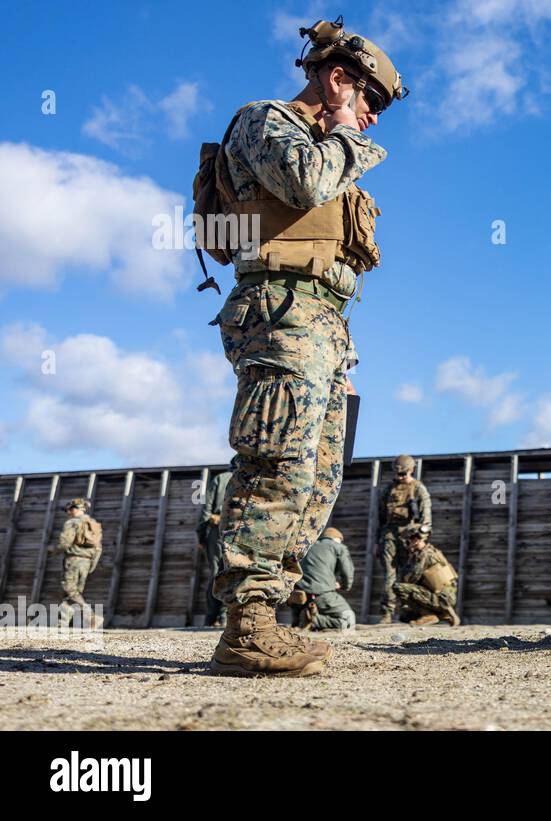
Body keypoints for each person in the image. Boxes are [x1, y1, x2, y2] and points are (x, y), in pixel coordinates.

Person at [206, 17, 406, 677]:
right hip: (278, 312)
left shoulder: (331, 147)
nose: (373, 118)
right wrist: (345, 127)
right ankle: (246, 627)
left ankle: (274, 614)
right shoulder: (265, 122)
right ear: (339, 78)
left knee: (318, 478)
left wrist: (340, 356)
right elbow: (301, 182)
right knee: (277, 464)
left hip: (322, 325)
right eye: (370, 100)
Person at [377, 454, 431, 624]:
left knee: (409, 576)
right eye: (397, 474)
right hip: (389, 536)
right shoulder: (388, 489)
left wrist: (421, 538)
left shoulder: (419, 488)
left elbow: (426, 518)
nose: (400, 477)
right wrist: (376, 542)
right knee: (389, 575)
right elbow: (381, 517)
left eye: (403, 474)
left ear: (412, 470)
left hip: (411, 537)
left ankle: (408, 613)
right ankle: (387, 614)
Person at [290, 527, 356, 630]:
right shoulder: (338, 547)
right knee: (348, 619)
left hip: (299, 594)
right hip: (322, 593)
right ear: (337, 539)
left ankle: (300, 618)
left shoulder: (308, 546)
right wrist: (345, 585)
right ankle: (313, 620)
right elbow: (347, 572)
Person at [393, 525, 461, 626]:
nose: (408, 543)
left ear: (416, 540)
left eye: (409, 541)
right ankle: (444, 614)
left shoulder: (424, 555)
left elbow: (411, 579)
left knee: (399, 587)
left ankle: (429, 615)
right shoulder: (433, 551)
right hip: (445, 597)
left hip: (441, 598)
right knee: (405, 617)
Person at [51, 499, 102, 629]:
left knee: (69, 590)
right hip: (87, 561)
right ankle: (61, 624)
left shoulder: (72, 523)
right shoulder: (93, 524)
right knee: (73, 593)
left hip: (73, 560)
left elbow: (65, 543)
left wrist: (52, 550)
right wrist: (92, 564)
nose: (68, 512)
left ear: (75, 508)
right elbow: (98, 547)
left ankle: (91, 617)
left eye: (70, 509)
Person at [194, 466, 233, 627]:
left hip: (217, 531)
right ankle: (225, 617)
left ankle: (212, 617)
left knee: (217, 574)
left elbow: (206, 509)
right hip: (240, 531)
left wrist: (201, 536)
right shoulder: (250, 475)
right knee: (234, 573)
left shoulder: (221, 478)